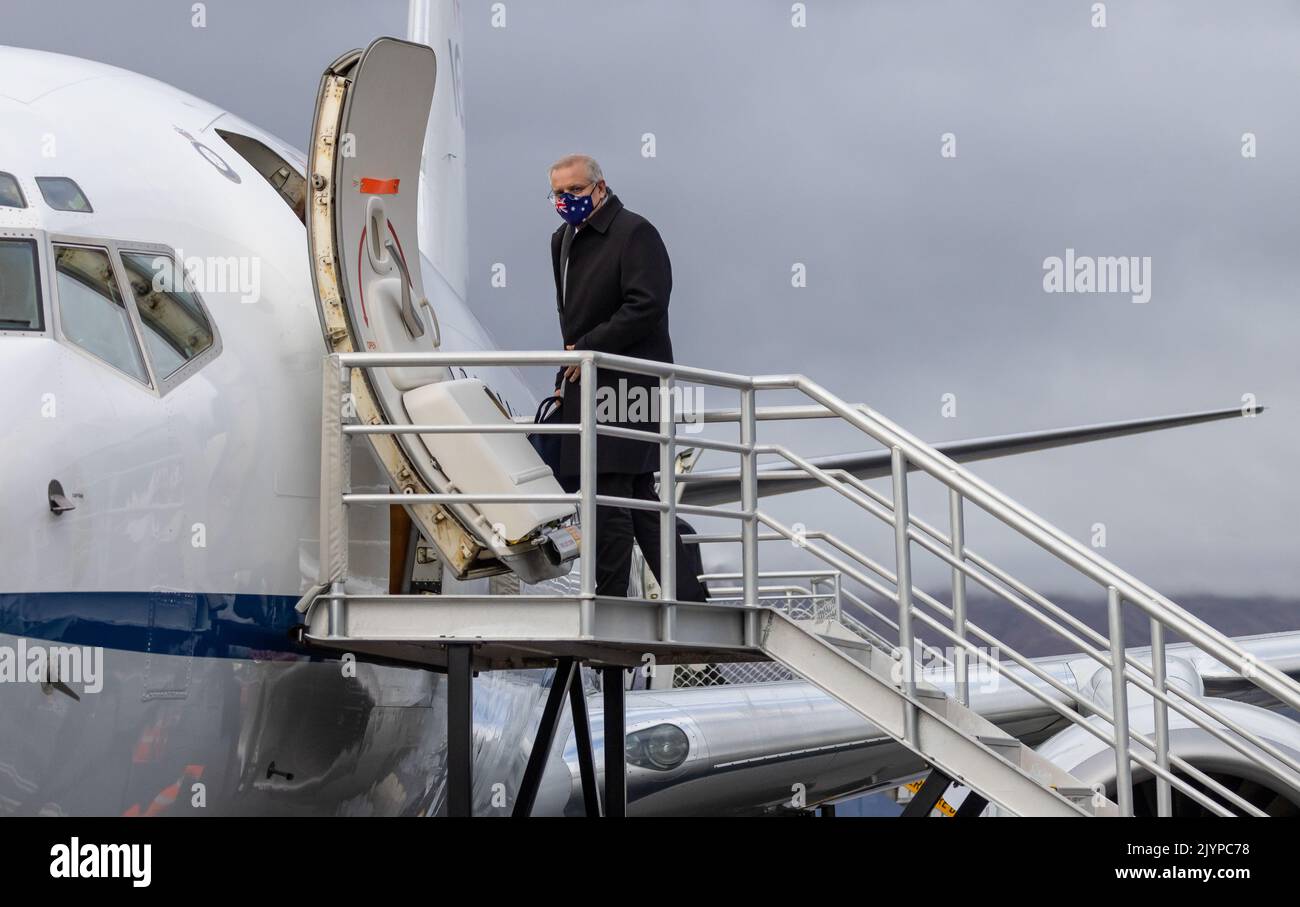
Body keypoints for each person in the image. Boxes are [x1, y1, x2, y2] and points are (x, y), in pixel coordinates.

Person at [547, 153, 706, 601]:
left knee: (612, 494)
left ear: (600, 187)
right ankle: (690, 602)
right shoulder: (561, 240)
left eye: (575, 191)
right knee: (638, 499)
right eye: (558, 193)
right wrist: (570, 366)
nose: (566, 200)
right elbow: (569, 316)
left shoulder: (635, 232)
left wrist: (588, 349)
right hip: (587, 380)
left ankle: (611, 602)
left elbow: (647, 305)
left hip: (630, 385)